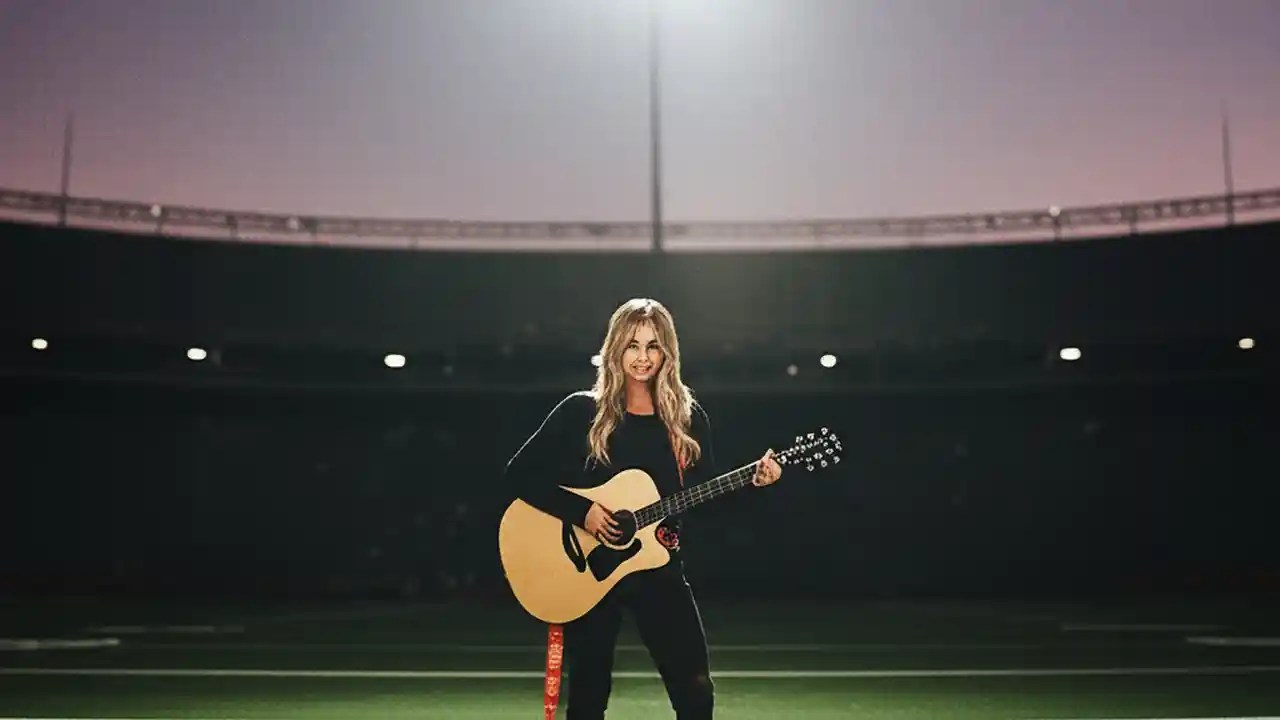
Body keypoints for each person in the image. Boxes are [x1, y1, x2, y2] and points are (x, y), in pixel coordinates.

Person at [504, 298, 782, 720]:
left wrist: (756, 485)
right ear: (616, 349)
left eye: (653, 346)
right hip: (588, 572)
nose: (642, 357)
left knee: (695, 686)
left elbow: (706, 502)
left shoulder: (686, 420)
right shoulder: (582, 411)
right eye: (633, 345)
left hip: (658, 569)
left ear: (667, 353)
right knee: (588, 691)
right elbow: (518, 475)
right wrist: (586, 514)